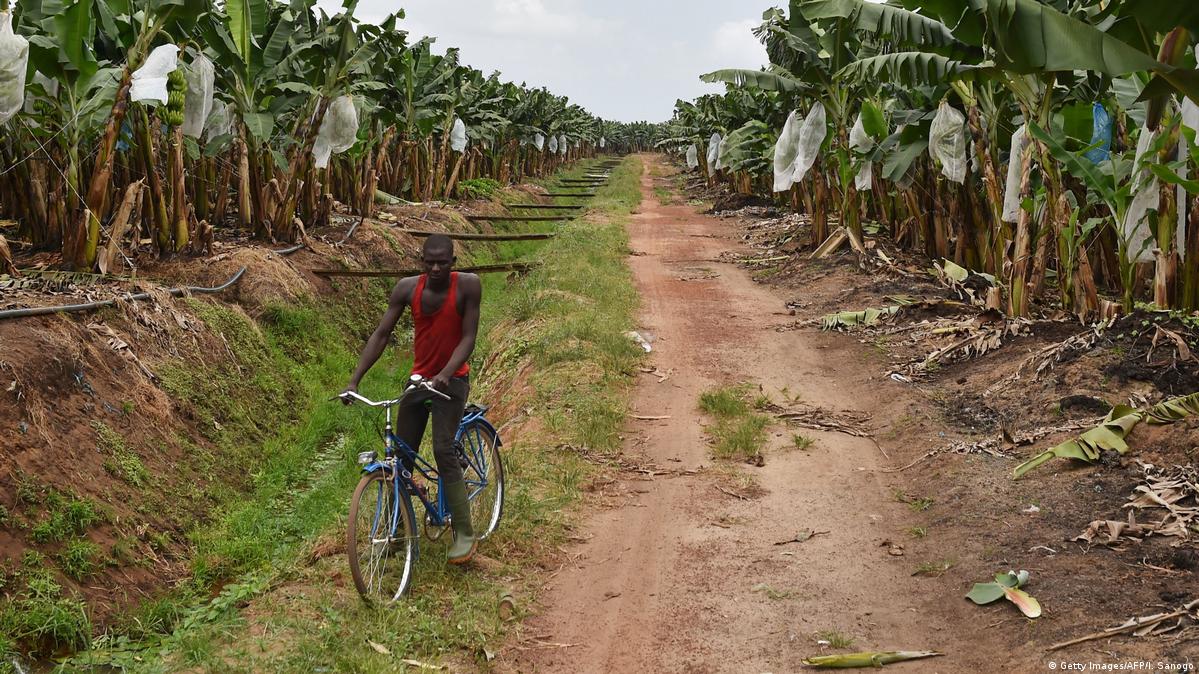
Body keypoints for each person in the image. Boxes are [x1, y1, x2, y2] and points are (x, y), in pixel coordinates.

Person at [343, 234, 483, 564]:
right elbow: (381, 334)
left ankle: (464, 532)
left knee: (442, 448)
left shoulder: (468, 286)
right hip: (419, 382)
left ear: (453, 262)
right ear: (421, 261)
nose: (435, 267)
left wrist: (447, 373)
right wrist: (354, 380)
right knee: (399, 458)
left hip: (452, 380)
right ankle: (396, 530)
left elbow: (468, 338)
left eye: (442, 262)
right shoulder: (407, 289)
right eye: (429, 261)